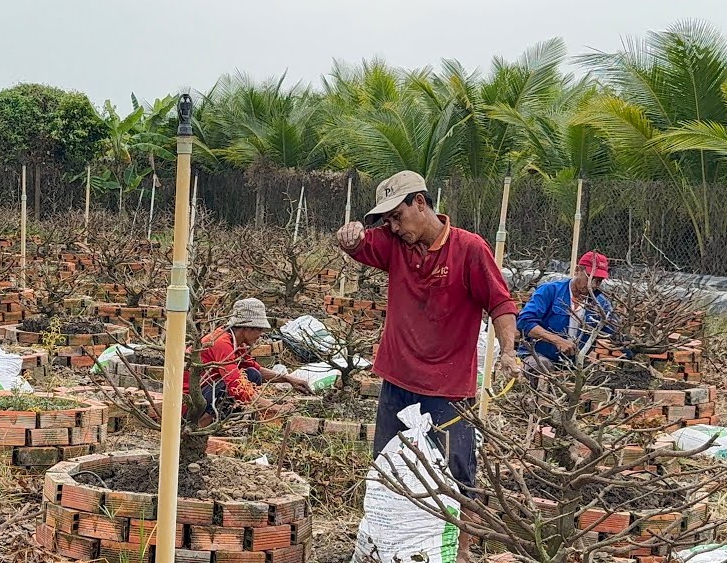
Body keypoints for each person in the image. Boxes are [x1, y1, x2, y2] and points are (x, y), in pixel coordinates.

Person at [335, 170, 521, 496]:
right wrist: (350, 236)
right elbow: (361, 243)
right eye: (387, 221)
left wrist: (508, 351)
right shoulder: (395, 244)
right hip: (397, 381)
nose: (393, 227)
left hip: (447, 387)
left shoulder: (469, 249)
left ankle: (459, 530)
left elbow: (500, 303)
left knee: (456, 472)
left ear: (420, 202)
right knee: (388, 467)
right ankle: (392, 524)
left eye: (397, 216)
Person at [182, 298, 311, 425]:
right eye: (259, 330)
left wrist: (288, 379)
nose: (260, 335)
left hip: (204, 392)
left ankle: (219, 420)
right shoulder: (221, 343)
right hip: (187, 403)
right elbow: (235, 385)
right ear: (247, 327)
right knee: (226, 388)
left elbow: (256, 369)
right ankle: (201, 425)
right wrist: (273, 407)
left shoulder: (236, 342)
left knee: (253, 374)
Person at [517, 251, 614, 373]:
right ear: (577, 270)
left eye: (599, 281)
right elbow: (524, 322)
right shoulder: (550, 291)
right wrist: (557, 340)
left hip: (575, 361)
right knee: (542, 367)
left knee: (599, 375)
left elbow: (614, 332)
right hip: (539, 355)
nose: (594, 285)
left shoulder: (601, 304)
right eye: (590, 278)